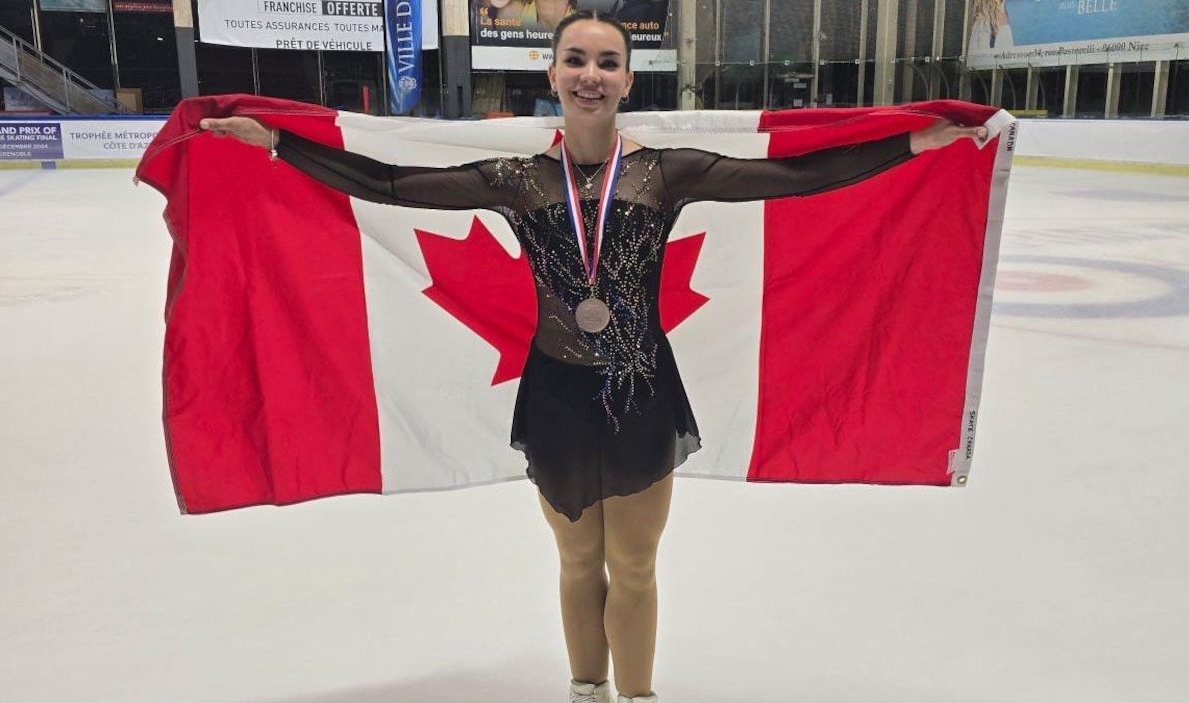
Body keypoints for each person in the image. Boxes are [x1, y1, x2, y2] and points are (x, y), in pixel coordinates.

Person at [200, 10, 986, 703]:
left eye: (607, 62)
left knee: (635, 564)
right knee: (579, 561)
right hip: (557, 392)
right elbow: (394, 183)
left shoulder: (666, 171)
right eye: (576, 59)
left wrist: (915, 142)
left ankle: (638, 695)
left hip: (643, 390)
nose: (590, 74)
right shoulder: (515, 179)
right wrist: (278, 147)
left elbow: (797, 175)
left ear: (627, 80)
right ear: (552, 74)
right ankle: (588, 691)